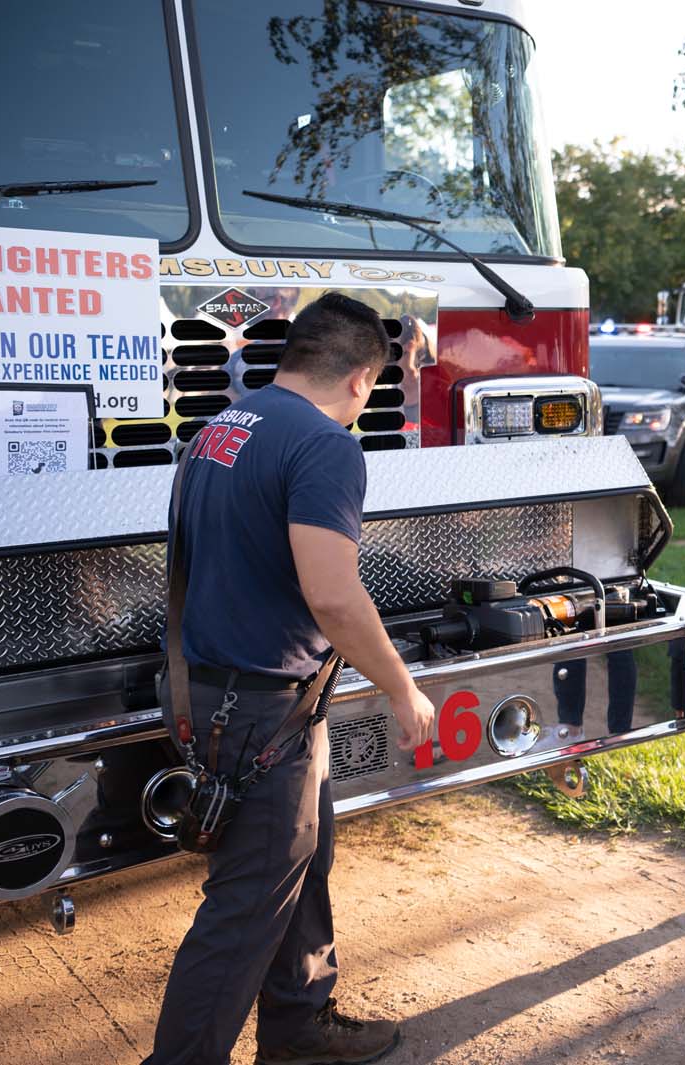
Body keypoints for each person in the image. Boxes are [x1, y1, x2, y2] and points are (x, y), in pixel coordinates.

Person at [145, 292, 437, 1065]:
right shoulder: (326, 446)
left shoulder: (221, 428)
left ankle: (299, 1022)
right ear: (361, 380)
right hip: (259, 713)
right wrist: (404, 689)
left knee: (303, 860)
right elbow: (335, 594)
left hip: (221, 695)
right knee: (244, 908)